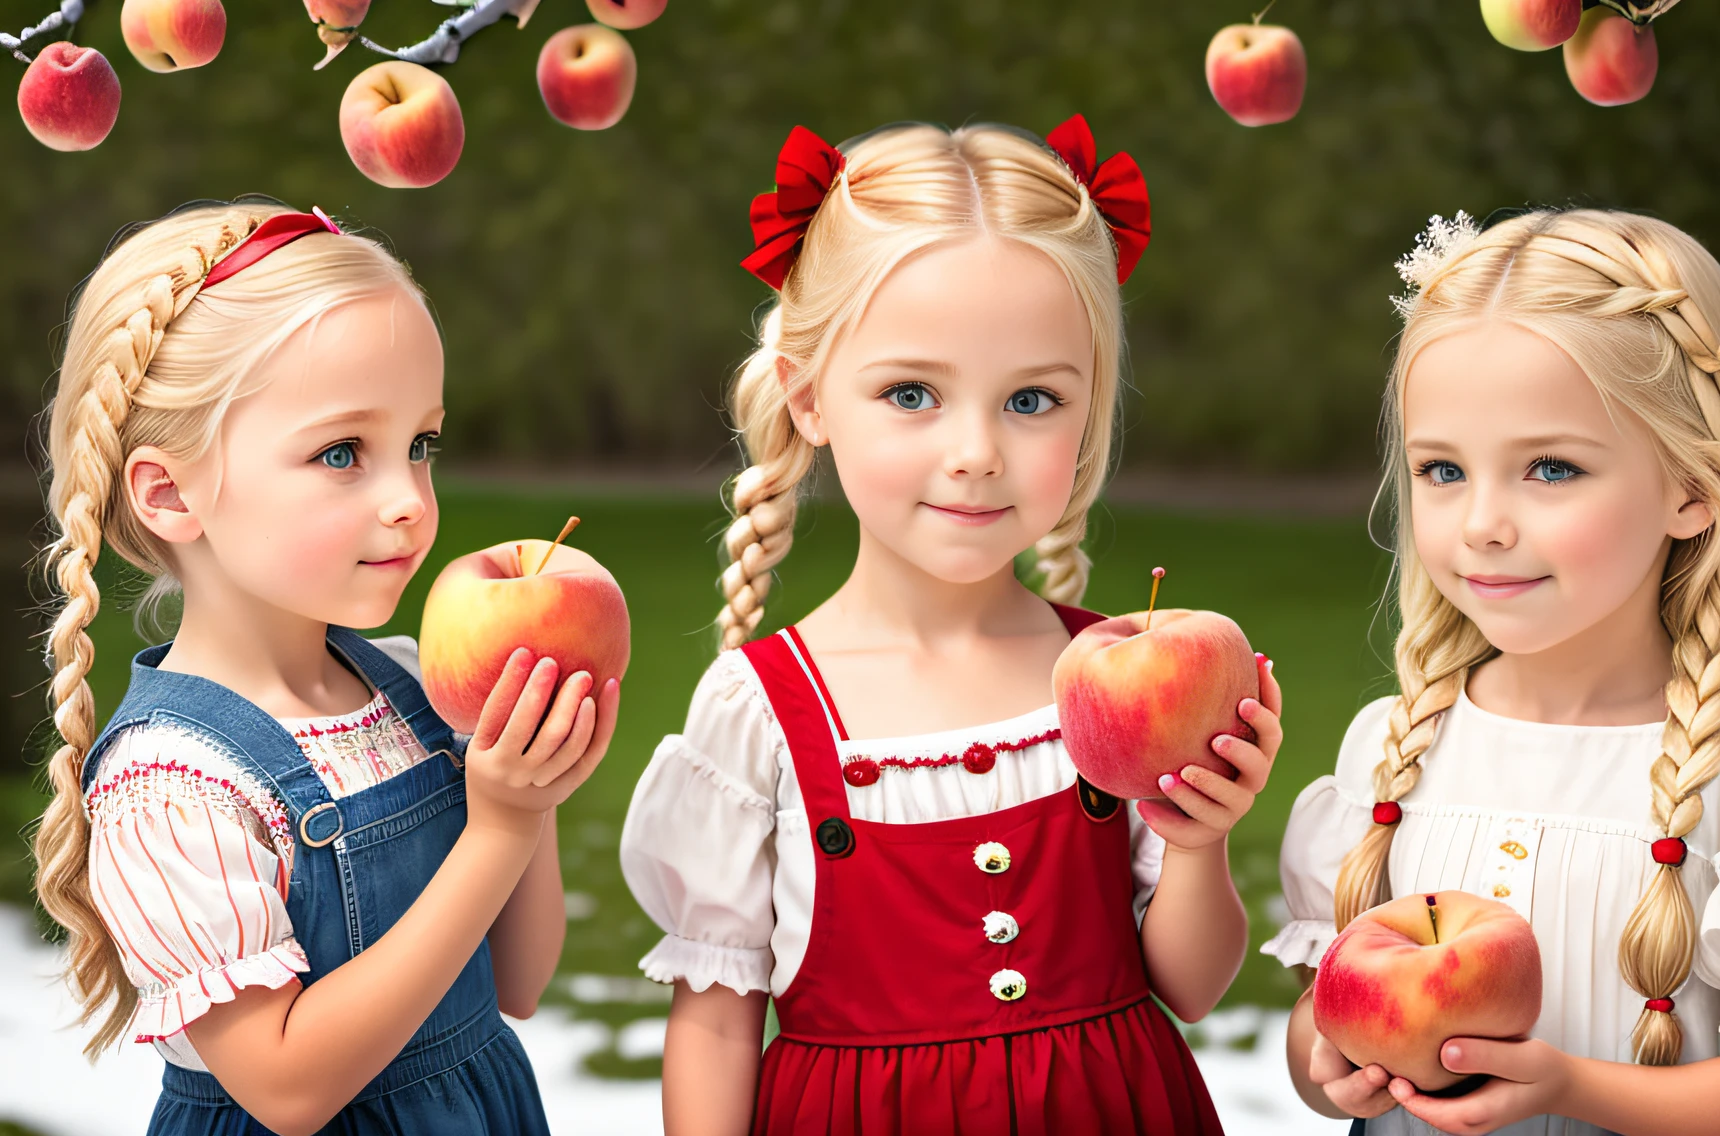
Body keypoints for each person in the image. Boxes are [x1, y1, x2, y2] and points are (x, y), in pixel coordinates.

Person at [620, 118, 1280, 1134]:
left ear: (1089, 407)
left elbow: (1189, 987)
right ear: (807, 397)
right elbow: (713, 1022)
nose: (975, 451)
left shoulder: (1113, 683)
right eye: (912, 393)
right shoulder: (758, 711)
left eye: (1029, 398)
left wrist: (1200, 844)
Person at [1270, 209, 1720, 1135]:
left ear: (1693, 489)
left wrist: (1574, 1088)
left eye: (1551, 469)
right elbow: (1312, 1034)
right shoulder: (1392, 752)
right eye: (1442, 470)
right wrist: (1327, 1058)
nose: (1483, 522)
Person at [32, 199, 618, 1135]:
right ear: (171, 491)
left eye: (420, 445)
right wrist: (497, 830)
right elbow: (291, 1089)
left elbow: (519, 979)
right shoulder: (173, 788)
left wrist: (530, 793)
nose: (410, 503)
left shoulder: (409, 686)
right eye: (344, 452)